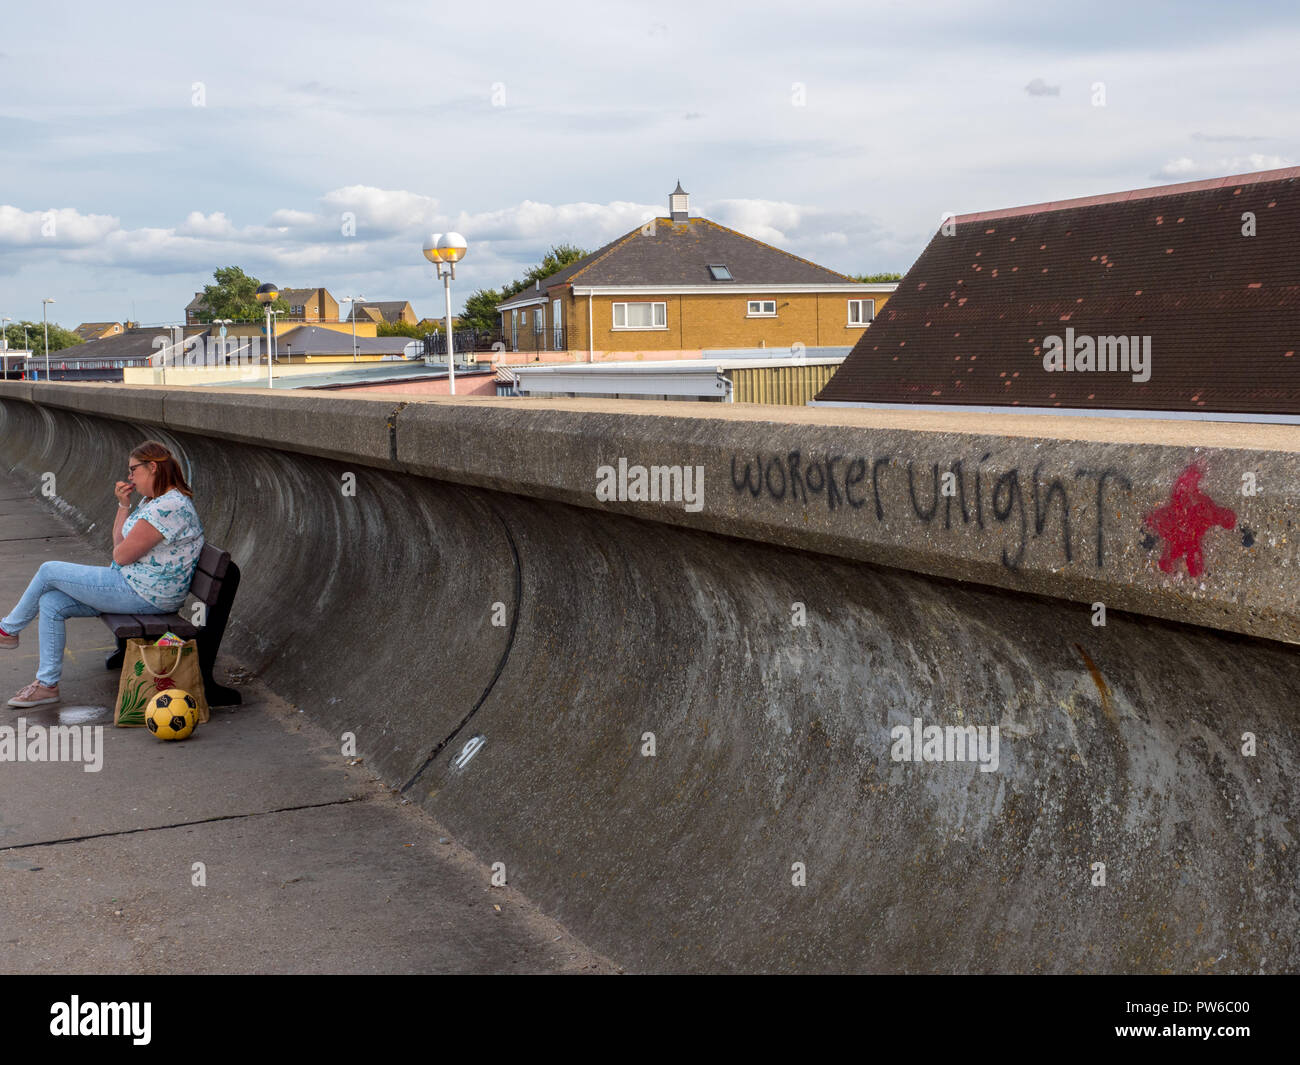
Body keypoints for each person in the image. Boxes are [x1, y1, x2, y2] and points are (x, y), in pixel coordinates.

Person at [0, 440, 205, 707]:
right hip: (133, 585)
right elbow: (119, 546)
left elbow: (119, 556)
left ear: (152, 467)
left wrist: (120, 552)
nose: (129, 476)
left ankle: (7, 630)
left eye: (133, 470)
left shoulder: (169, 507)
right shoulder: (152, 502)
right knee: (51, 602)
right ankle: (47, 685)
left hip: (146, 594)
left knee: (48, 570)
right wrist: (123, 505)